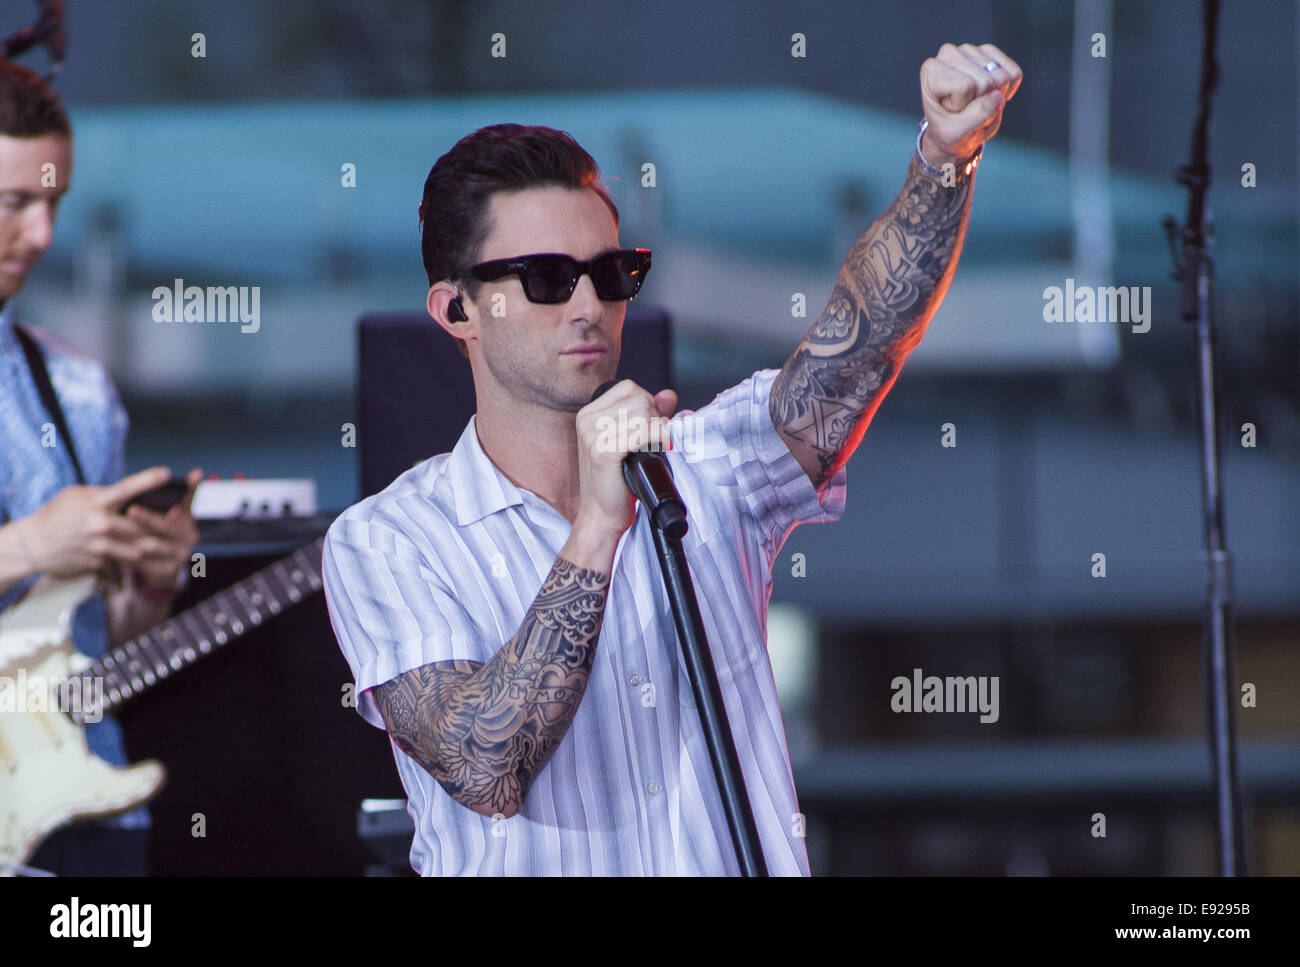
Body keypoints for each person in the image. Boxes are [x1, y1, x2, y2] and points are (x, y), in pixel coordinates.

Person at [323, 42, 1022, 875]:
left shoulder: (707, 462)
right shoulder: (386, 538)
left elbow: (859, 348)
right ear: (457, 308)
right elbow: (484, 762)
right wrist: (594, 530)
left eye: (613, 272)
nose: (589, 304)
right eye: (547, 277)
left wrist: (943, 157)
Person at [0, 59, 202, 876]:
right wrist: (29, 547)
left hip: (85, 800)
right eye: (15, 203)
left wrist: (147, 584)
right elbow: (38, 556)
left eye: (55, 203)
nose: (43, 235)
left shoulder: (78, 389)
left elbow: (100, 644)